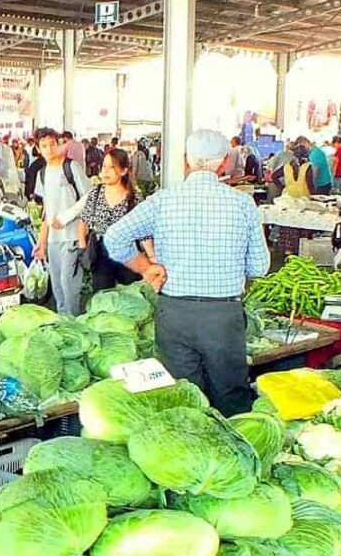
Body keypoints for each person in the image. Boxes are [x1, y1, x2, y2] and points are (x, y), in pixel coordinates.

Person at [102, 129, 268, 416]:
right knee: (231, 400)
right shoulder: (243, 204)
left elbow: (114, 238)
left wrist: (147, 268)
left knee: (183, 400)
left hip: (175, 313)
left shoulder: (163, 200)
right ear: (225, 162)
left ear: (185, 162)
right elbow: (259, 267)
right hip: (223, 317)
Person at [31, 127, 90, 316]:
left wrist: (67, 216)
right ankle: (64, 324)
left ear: (59, 145)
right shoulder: (42, 174)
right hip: (53, 240)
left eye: (52, 144)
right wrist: (41, 241)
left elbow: (90, 196)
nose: (49, 149)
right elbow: (47, 211)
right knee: (57, 286)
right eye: (44, 146)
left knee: (68, 284)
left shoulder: (71, 167)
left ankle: (73, 323)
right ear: (38, 149)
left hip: (72, 236)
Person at [78, 148, 139, 292]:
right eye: (104, 166)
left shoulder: (134, 198)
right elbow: (83, 223)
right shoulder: (96, 193)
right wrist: (83, 250)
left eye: (111, 167)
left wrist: (151, 257)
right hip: (101, 253)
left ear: (123, 171)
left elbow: (144, 233)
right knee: (102, 296)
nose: (105, 171)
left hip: (128, 253)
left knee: (130, 296)